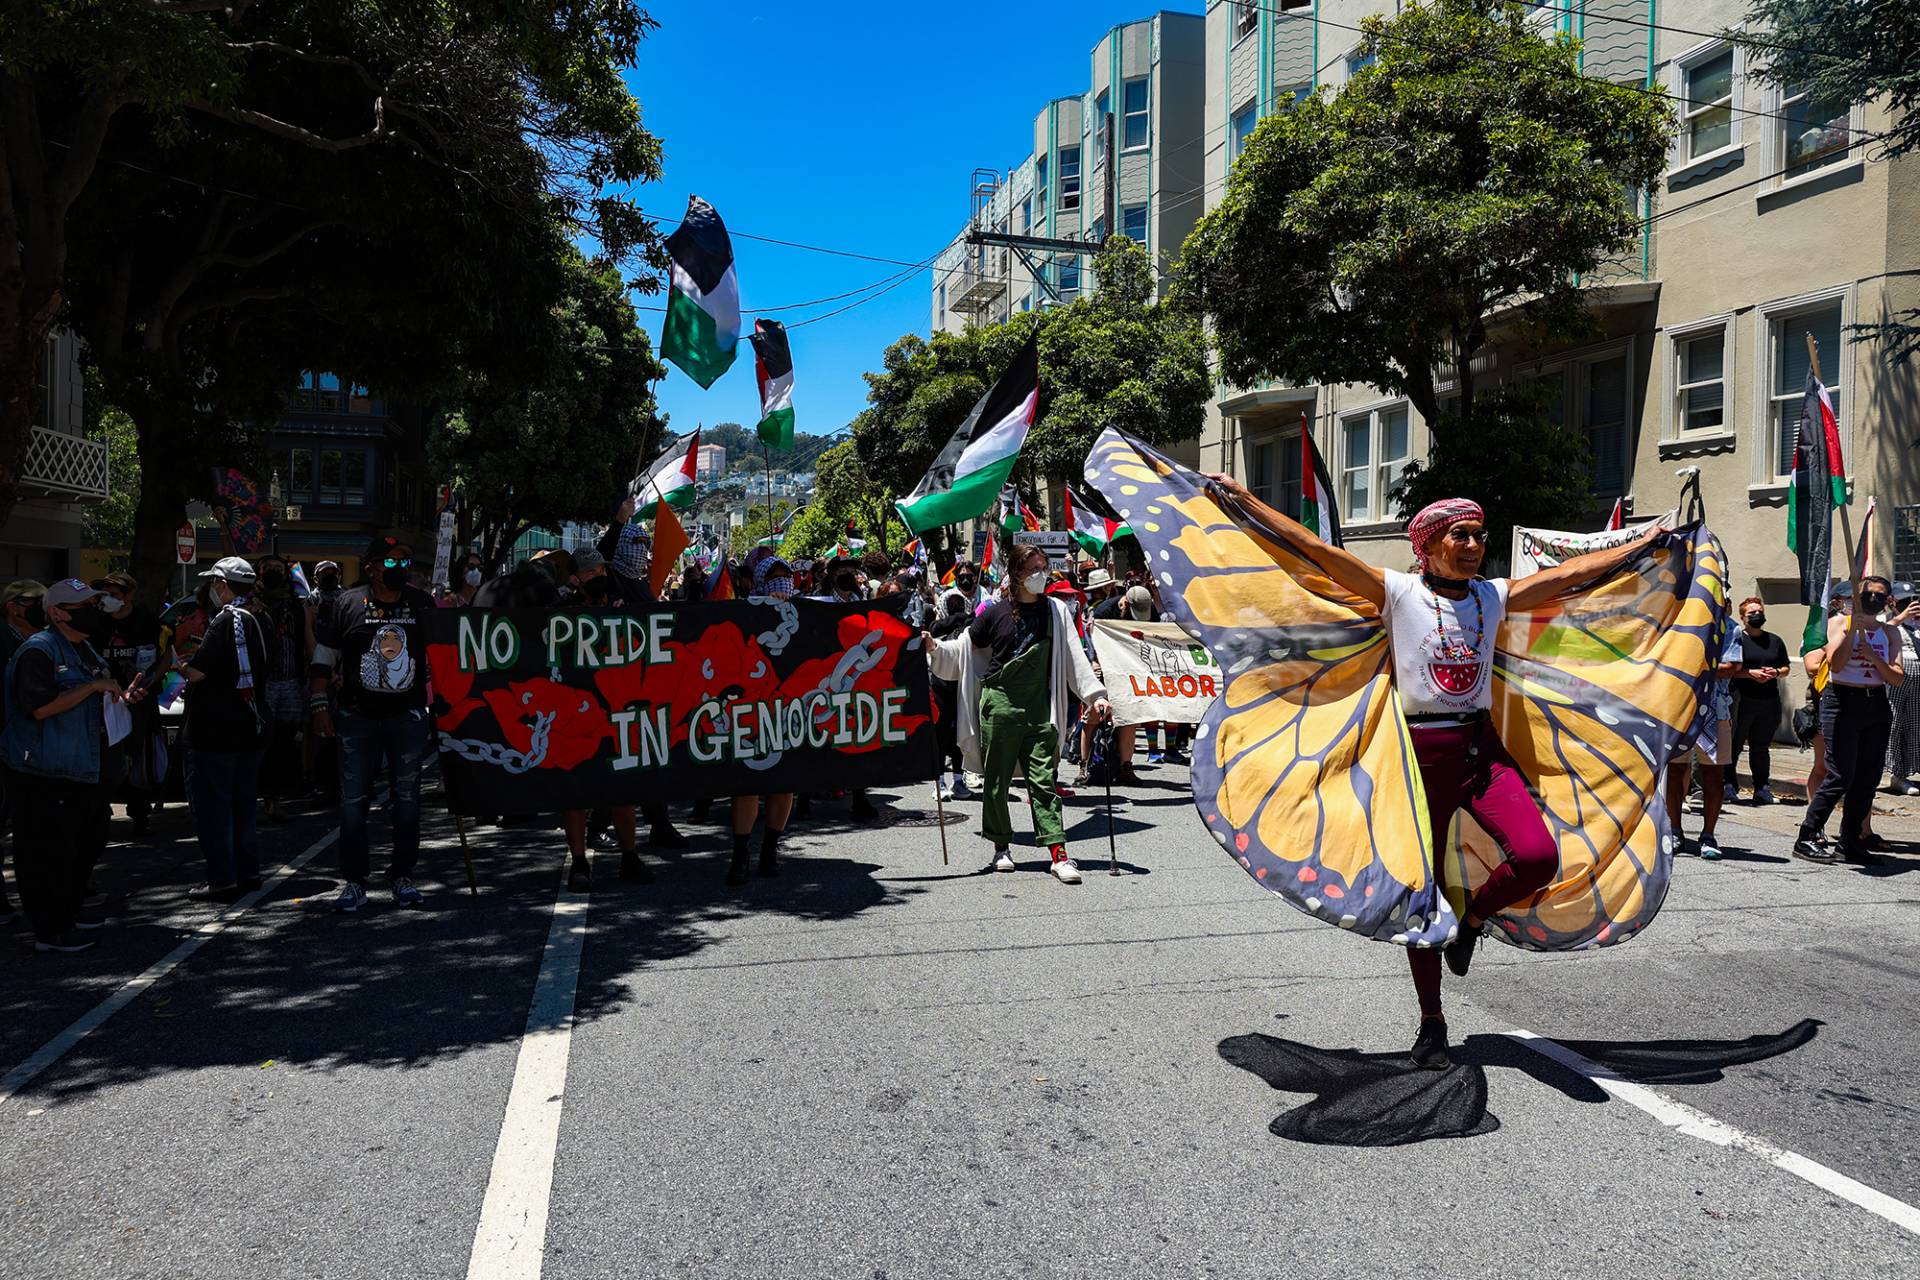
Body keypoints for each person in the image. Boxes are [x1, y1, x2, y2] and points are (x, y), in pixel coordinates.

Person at [1209, 480, 1667, 1068]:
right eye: (1460, 536)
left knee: (1536, 857)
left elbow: (1568, 575)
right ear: (1427, 546)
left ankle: (1471, 920)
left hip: (1482, 751)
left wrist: (1641, 545)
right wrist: (1246, 502)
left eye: (1479, 535)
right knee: (1420, 895)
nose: (1474, 545)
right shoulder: (1398, 592)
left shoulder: (1491, 596)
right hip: (1417, 758)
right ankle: (1432, 1022)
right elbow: (1317, 553)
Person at [926, 541, 1112, 884]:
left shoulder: (1056, 611)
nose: (1042, 575)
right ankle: (1001, 848)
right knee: (996, 782)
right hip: (999, 707)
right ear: (1016, 574)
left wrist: (1095, 696)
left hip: (1039, 708)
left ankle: (1059, 854)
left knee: (1044, 782)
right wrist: (934, 648)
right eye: (1034, 569)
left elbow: (1075, 657)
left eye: (1044, 568)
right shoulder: (993, 613)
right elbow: (963, 649)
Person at [4, 580, 147, 952]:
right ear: (57, 613)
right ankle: (51, 930)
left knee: (80, 846)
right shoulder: (38, 651)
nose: (93, 612)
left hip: (82, 767)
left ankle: (67, 913)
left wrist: (121, 695)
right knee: (45, 853)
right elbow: (40, 708)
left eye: (94, 604)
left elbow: (94, 694)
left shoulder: (83, 647)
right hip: (45, 771)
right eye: (83, 606)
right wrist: (94, 688)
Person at [310, 536, 437, 911]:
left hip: (408, 718)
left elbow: (444, 654)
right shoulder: (347, 604)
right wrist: (319, 704)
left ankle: (403, 875)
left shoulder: (422, 603)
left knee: (408, 800)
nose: (400, 569)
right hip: (356, 718)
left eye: (405, 562)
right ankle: (354, 881)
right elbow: (323, 657)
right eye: (391, 562)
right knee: (352, 802)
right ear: (372, 568)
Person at [1793, 574, 1905, 867]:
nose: (1873, 599)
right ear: (1857, 596)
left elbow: (1896, 677)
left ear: (1888, 600)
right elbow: (1837, 663)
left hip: (1875, 702)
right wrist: (1851, 630)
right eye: (1868, 594)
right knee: (1841, 773)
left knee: (1868, 777)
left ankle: (1850, 841)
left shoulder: (1889, 633)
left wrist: (1873, 657)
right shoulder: (1837, 624)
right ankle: (1808, 835)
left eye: (1880, 595)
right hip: (1842, 700)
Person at [177, 558, 268, 900]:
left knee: (214, 808)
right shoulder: (260, 618)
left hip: (215, 729)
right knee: (243, 805)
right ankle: (247, 872)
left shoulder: (225, 621)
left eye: (214, 583)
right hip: (249, 725)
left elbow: (196, 672)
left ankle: (222, 879)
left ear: (222, 584)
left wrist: (180, 659)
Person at [728, 556, 801, 885]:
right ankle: (740, 854)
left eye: (786, 577)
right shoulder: (744, 612)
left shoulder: (803, 612)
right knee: (747, 785)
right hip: (751, 709)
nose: (781, 584)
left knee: (784, 784)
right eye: (773, 578)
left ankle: (770, 850)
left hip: (788, 708)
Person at [90, 571, 164, 835]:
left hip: (140, 701)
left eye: (113, 595)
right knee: (105, 757)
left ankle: (140, 813)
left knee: (138, 755)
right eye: (104, 595)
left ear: (129, 595)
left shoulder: (147, 621)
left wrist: (148, 683)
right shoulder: (95, 621)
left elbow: (166, 655)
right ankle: (101, 809)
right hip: (105, 701)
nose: (107, 600)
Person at [1664, 617, 1744, 860]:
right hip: (1681, 708)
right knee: (1675, 771)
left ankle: (1708, 835)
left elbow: (1731, 666)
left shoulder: (1730, 627)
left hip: (1716, 711)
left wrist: (1692, 668)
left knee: (1713, 775)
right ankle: (1675, 831)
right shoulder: (1683, 621)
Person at [249, 554, 312, 822]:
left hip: (291, 683)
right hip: (262, 684)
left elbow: (307, 638)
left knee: (284, 744)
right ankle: (253, 800)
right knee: (258, 742)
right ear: (259, 573)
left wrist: (317, 670)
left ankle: (274, 800)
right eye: (268, 568)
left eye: (278, 568)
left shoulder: (296, 605)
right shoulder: (250, 603)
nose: (273, 572)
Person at [0, 580, 47, 924]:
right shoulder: (7, 640)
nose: (41, 609)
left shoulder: (38, 640)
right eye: (34, 602)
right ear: (13, 607)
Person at [1728, 596, 1791, 804]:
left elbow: (1785, 668)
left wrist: (1775, 672)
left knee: (1761, 747)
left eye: (1759, 612)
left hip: (1768, 700)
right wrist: (1750, 673)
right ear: (1742, 617)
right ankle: (1729, 785)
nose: (1757, 616)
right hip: (1742, 700)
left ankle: (1762, 788)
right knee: (1734, 745)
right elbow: (1730, 670)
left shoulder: (1774, 640)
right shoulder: (1737, 639)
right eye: (1752, 613)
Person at [929, 588, 973, 803]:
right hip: (944, 687)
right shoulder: (939, 628)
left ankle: (955, 780)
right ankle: (941, 782)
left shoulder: (969, 628)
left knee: (953, 735)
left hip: (954, 687)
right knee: (945, 735)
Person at [1886, 583, 1920, 796]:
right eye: (1905, 601)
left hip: (1917, 678)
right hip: (1897, 679)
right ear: (1893, 602)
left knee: (1915, 725)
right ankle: (1896, 775)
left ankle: (1911, 770)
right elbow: (1880, 633)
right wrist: (1902, 616)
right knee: (1895, 723)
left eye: (1912, 600)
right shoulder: (1886, 620)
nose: (1910, 604)